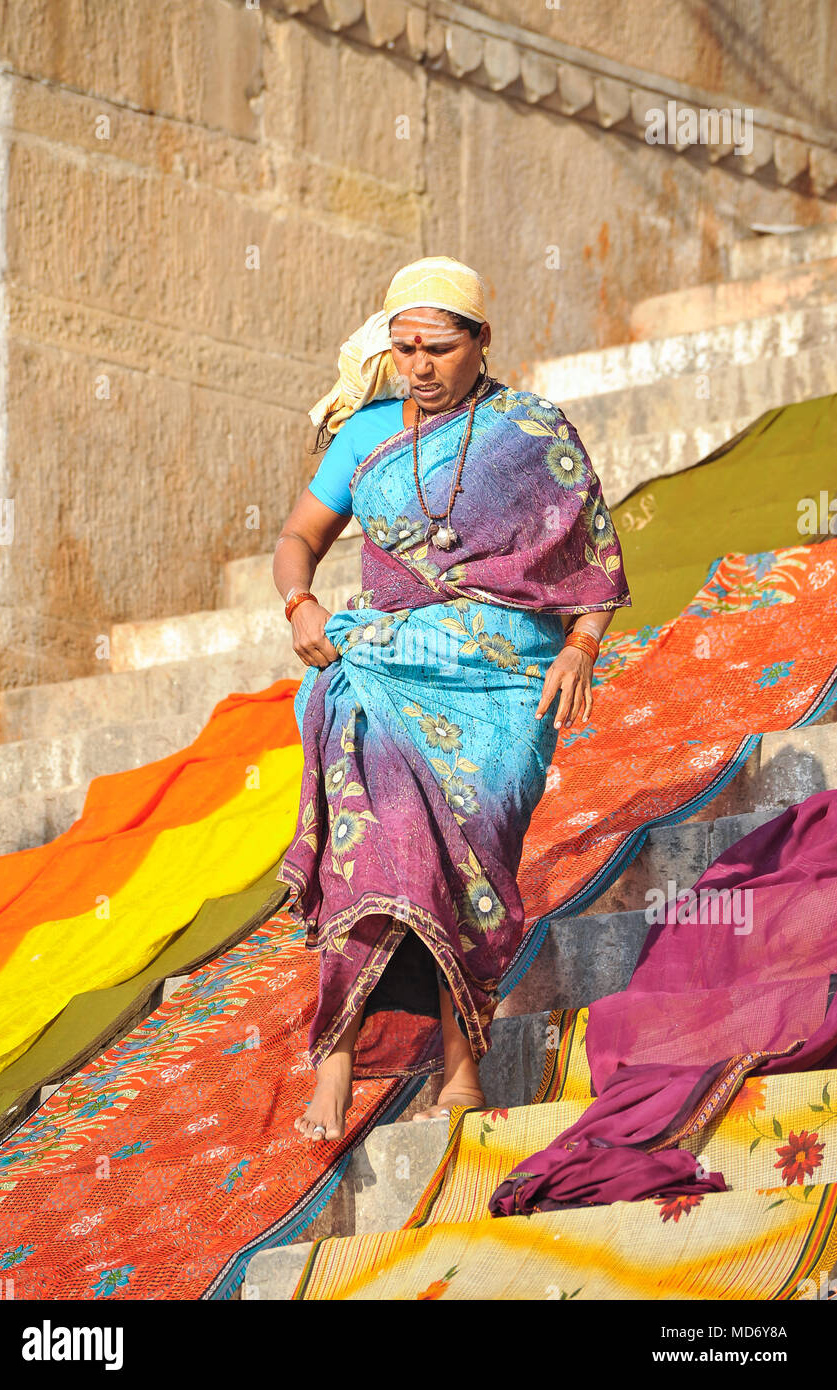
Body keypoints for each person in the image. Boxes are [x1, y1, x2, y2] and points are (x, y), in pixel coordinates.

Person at [272, 256, 631, 1143]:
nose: (419, 366)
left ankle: (461, 1067)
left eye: (438, 348)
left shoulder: (529, 430)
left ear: (481, 344)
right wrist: (300, 601)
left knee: (474, 857)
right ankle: (338, 1063)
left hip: (507, 674)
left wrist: (583, 645)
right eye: (403, 350)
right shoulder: (363, 436)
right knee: (378, 843)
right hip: (391, 661)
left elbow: (592, 556)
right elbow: (298, 538)